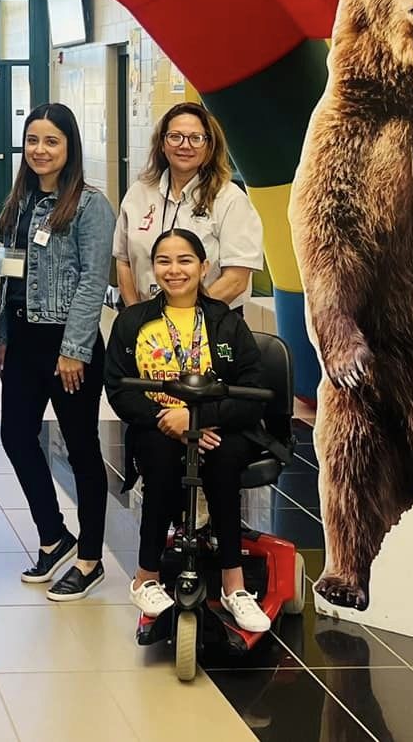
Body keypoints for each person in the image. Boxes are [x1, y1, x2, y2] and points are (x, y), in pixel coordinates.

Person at [104, 227, 273, 634]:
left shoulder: (226, 324)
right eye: (164, 261)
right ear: (153, 268)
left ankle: (234, 585)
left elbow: (253, 391)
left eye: (185, 261)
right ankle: (145, 578)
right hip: (157, 424)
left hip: (217, 426)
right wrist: (171, 422)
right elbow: (117, 388)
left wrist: (201, 420)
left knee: (223, 459)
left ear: (204, 267)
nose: (174, 270)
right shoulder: (133, 322)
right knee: (159, 462)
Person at [0, 102, 118, 602]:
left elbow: (93, 281)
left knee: (82, 447)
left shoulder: (91, 205)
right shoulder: (20, 201)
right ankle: (54, 535)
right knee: (15, 436)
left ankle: (89, 558)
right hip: (23, 341)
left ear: (69, 149)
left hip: (69, 344)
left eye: (51, 142)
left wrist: (75, 349)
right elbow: (11, 272)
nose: (40, 150)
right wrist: (3, 333)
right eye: (32, 141)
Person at [114, 103, 266, 308]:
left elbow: (236, 280)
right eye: (175, 136)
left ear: (210, 146)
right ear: (162, 143)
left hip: (209, 323)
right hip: (146, 325)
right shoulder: (138, 193)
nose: (185, 146)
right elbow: (124, 261)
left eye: (196, 138)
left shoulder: (231, 199)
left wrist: (185, 319)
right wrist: (135, 317)